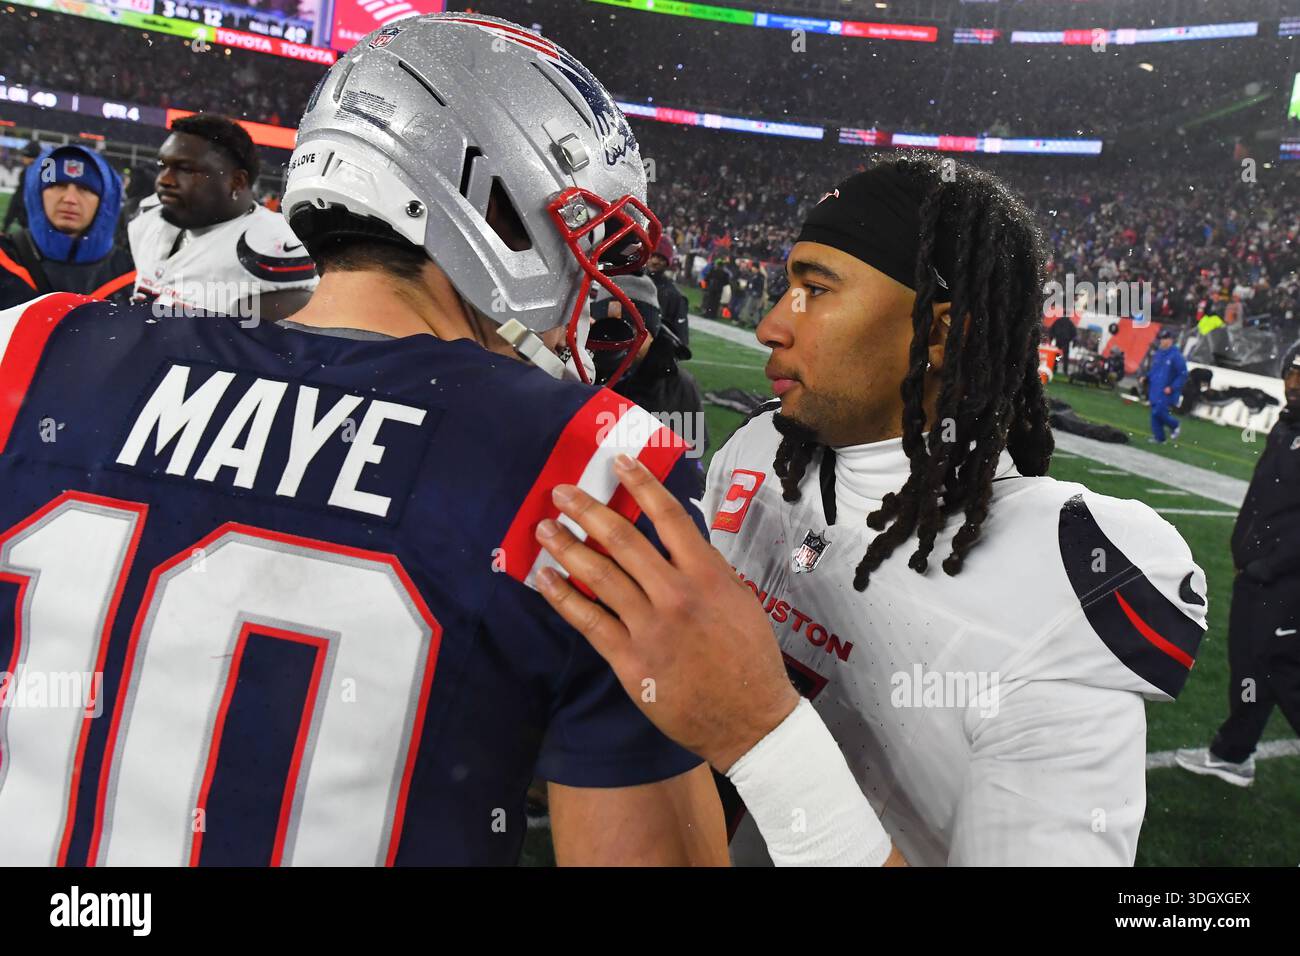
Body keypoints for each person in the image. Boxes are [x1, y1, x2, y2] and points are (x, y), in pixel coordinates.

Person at [0, 14, 726, 866]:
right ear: (494, 202)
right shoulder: (592, 470)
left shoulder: (34, 350)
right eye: (584, 233)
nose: (594, 275)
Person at [533, 154, 1208, 866]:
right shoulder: (765, 446)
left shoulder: (1059, 585)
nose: (769, 327)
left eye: (815, 291)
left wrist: (763, 735)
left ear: (940, 333)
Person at [1176, 352, 1300, 786]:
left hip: (1287, 578)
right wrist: (1244, 553)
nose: (1294, 384)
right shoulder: (1285, 427)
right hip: (1257, 571)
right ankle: (1233, 753)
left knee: (1283, 667)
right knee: (1247, 662)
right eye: (1292, 373)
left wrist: (1270, 564)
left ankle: (1233, 751)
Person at [128, 113, 318, 323]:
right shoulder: (149, 214)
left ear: (236, 181)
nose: (164, 180)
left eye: (185, 169)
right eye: (163, 166)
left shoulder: (271, 245)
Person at [590, 272, 708, 493]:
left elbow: (692, 463)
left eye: (629, 329)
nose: (618, 340)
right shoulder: (578, 372)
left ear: (652, 332)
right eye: (608, 328)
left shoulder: (679, 386)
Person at [0, 144, 135, 308]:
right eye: (58, 185)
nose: (70, 198)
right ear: (37, 192)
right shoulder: (5, 263)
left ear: (105, 200)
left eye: (85, 188)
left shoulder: (133, 279)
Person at [1148, 327, 1188, 443]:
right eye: (1161, 338)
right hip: (1156, 388)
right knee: (1155, 414)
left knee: (1158, 412)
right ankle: (1159, 437)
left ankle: (1175, 425)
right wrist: (1146, 377)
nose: (1162, 341)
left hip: (1166, 390)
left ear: (1170, 340)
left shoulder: (1176, 356)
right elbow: (1155, 370)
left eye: (1165, 338)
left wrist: (1172, 387)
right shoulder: (1159, 354)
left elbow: (1183, 374)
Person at [647, 236, 689, 346]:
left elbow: (680, 337)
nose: (655, 261)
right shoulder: (633, 282)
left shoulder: (674, 295)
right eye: (653, 256)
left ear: (667, 263)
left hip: (656, 351)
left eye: (660, 258)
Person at [1, 140, 41, 235]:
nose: (23, 158)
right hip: (37, 224)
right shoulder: (43, 173)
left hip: (29, 221)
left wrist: (6, 226)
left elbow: (17, 200)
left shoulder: (28, 173)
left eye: (25, 155)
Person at [1049, 311, 1077, 377]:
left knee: (1057, 356)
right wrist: (1074, 343)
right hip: (1066, 342)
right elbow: (1074, 335)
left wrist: (1051, 339)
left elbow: (1051, 330)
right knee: (1065, 357)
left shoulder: (1058, 321)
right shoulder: (1070, 323)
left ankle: (1054, 369)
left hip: (1058, 341)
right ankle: (1065, 371)